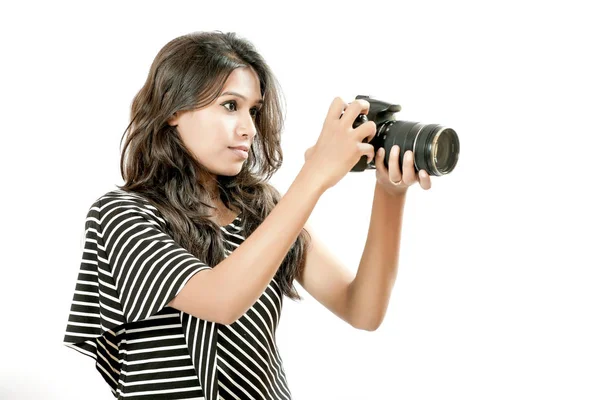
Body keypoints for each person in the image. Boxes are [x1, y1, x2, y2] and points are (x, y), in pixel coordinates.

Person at [63, 30, 432, 400]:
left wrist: (390, 192)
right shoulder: (120, 215)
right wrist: (315, 175)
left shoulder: (262, 210)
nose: (249, 128)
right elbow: (219, 301)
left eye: (253, 110)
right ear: (174, 109)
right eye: (229, 106)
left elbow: (362, 310)